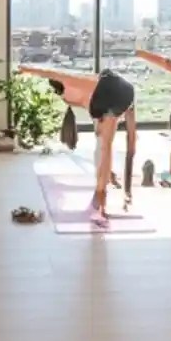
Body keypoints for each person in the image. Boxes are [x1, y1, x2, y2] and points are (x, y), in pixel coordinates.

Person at [18, 66, 136, 226]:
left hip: (107, 99)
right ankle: (101, 195)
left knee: (104, 147)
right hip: (113, 98)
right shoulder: (84, 84)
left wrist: (26, 69)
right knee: (104, 146)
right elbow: (54, 74)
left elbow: (53, 74)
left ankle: (101, 198)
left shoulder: (73, 88)